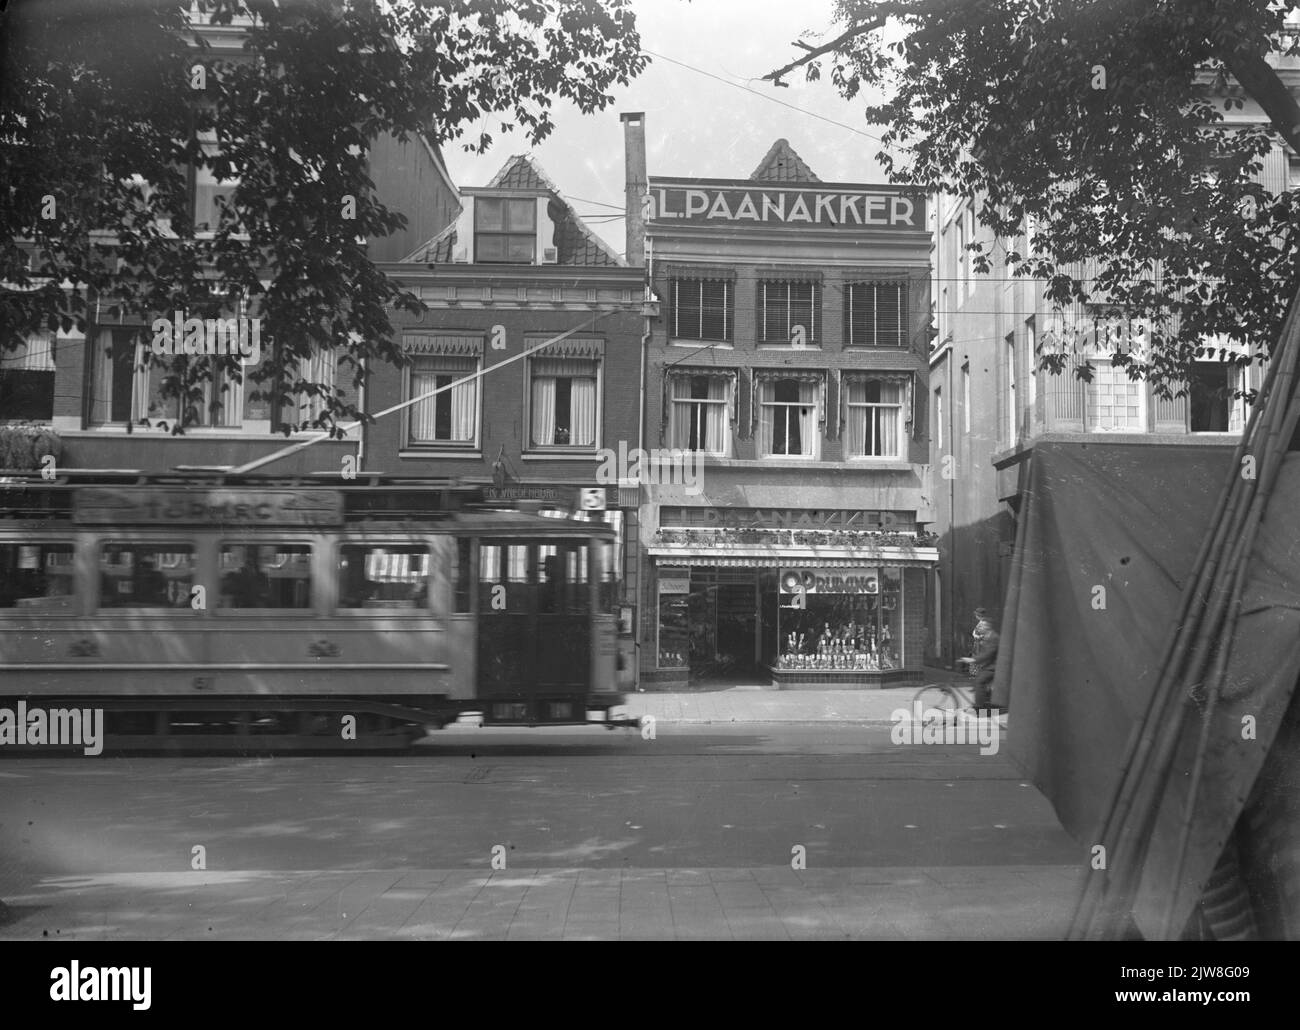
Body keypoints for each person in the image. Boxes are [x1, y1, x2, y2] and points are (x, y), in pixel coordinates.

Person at [971, 611, 1000, 716]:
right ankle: (985, 704)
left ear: (988, 626)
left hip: (994, 667)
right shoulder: (987, 636)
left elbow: (988, 654)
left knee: (980, 682)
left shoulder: (993, 637)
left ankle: (980, 708)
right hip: (989, 665)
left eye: (982, 625)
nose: (980, 627)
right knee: (980, 680)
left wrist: (974, 660)